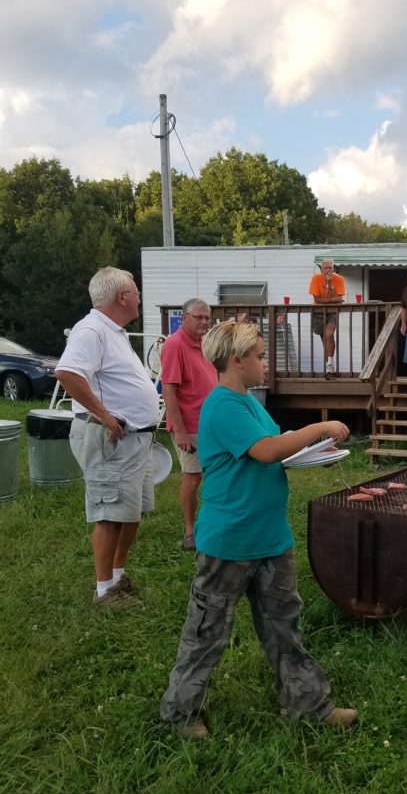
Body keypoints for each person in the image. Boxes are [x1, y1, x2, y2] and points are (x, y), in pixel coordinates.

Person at [159, 320, 358, 739]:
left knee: (285, 625)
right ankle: (181, 714)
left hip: (270, 538)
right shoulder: (222, 405)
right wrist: (319, 427)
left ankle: (308, 704)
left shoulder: (248, 402)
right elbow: (266, 450)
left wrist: (313, 449)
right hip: (230, 542)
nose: (265, 363)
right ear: (237, 360)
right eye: (260, 356)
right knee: (207, 631)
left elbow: (276, 442)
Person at [55, 267, 160, 609]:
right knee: (110, 513)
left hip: (134, 439)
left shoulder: (113, 331)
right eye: (136, 291)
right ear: (121, 297)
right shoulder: (92, 330)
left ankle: (116, 577)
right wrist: (104, 415)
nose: (139, 297)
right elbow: (68, 373)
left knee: (128, 513)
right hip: (110, 439)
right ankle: (103, 591)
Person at [160, 298, 218, 550]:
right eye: (199, 317)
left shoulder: (204, 344)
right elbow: (169, 391)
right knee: (193, 477)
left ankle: (211, 524)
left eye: (207, 317)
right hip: (190, 425)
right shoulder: (174, 345)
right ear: (184, 318)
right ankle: (189, 530)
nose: (204, 322)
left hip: (211, 423)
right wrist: (180, 430)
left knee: (215, 474)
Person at [308, 259, 346, 375]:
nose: (328, 270)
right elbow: (317, 300)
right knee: (325, 340)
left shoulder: (339, 279)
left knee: (329, 334)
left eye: (330, 268)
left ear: (333, 269)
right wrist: (333, 300)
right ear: (321, 269)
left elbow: (339, 300)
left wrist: (330, 284)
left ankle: (329, 363)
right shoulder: (316, 278)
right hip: (318, 312)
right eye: (325, 268)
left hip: (333, 312)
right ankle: (329, 367)